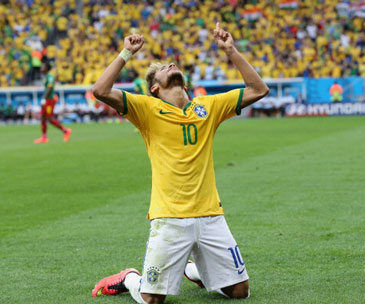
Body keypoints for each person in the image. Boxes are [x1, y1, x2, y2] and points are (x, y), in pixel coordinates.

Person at [90, 23, 269, 304]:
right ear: (155, 87)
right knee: (152, 301)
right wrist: (126, 52)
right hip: (169, 218)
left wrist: (230, 50)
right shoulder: (146, 109)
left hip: (210, 215)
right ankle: (130, 277)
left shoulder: (208, 107)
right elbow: (100, 90)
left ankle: (195, 272)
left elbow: (258, 89)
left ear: (185, 84)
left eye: (171, 65)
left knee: (240, 292)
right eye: (162, 68)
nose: (171, 64)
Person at [33, 61, 71, 144]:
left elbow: (50, 88)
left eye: (43, 66)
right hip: (47, 100)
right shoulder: (47, 76)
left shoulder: (50, 76)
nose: (41, 67)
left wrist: (44, 99)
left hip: (49, 100)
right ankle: (44, 137)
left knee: (50, 118)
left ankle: (66, 131)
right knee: (43, 116)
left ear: (47, 68)